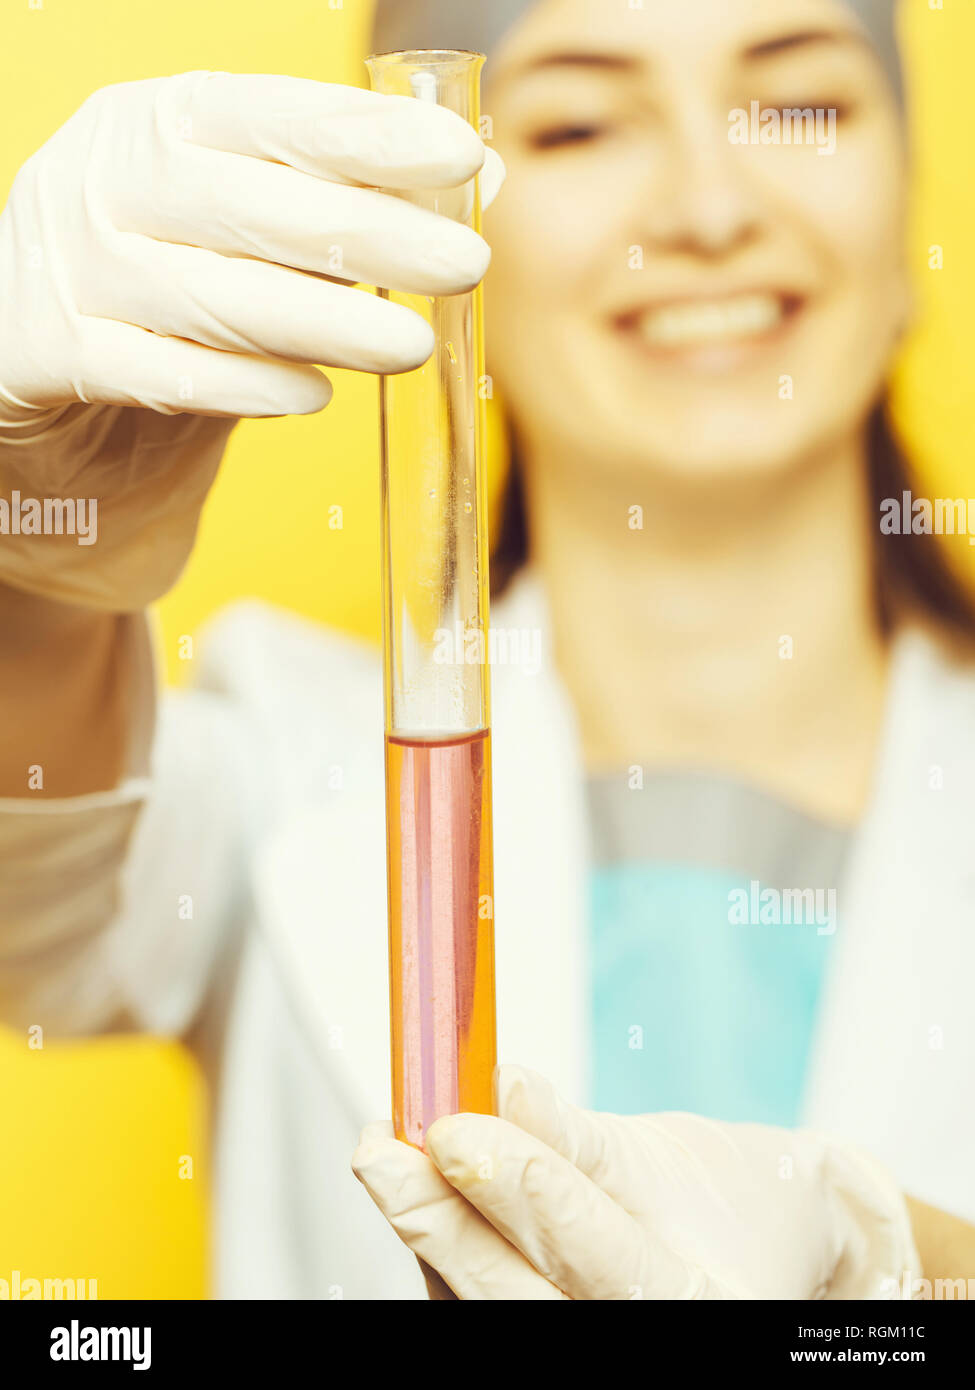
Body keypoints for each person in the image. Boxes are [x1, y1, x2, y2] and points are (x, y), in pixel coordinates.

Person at [0, 0, 972, 1300]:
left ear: (909, 194)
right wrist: (39, 562)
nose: (708, 203)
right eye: (579, 123)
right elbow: (37, 919)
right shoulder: (283, 772)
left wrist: (910, 1271)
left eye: (797, 106)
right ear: (430, 225)